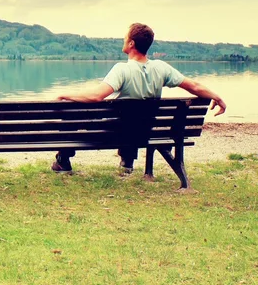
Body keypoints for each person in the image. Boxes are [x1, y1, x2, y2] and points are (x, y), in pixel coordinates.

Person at [52, 23, 227, 174]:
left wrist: (65, 94)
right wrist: (216, 97)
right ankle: (127, 162)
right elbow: (195, 87)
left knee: (73, 112)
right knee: (135, 118)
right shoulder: (161, 68)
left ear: (131, 43)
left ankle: (63, 161)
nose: (123, 41)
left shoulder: (122, 70)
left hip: (115, 133)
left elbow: (97, 95)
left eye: (124, 38)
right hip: (146, 131)